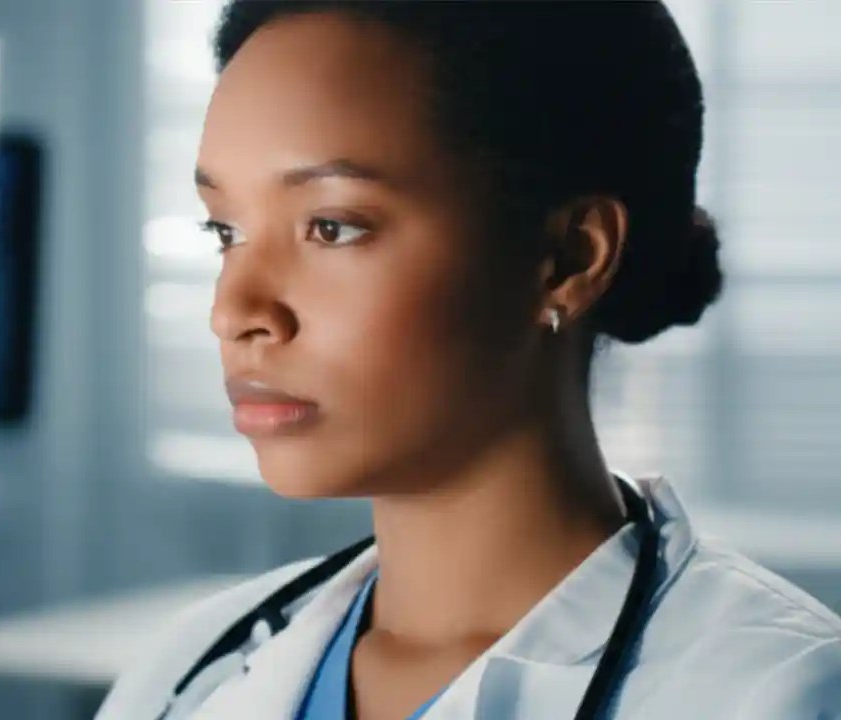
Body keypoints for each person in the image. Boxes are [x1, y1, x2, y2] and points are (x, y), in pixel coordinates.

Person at [97, 1, 841, 718]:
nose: (234, 311)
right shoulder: (187, 673)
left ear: (568, 258)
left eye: (332, 227)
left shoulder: (778, 696)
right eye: (225, 231)